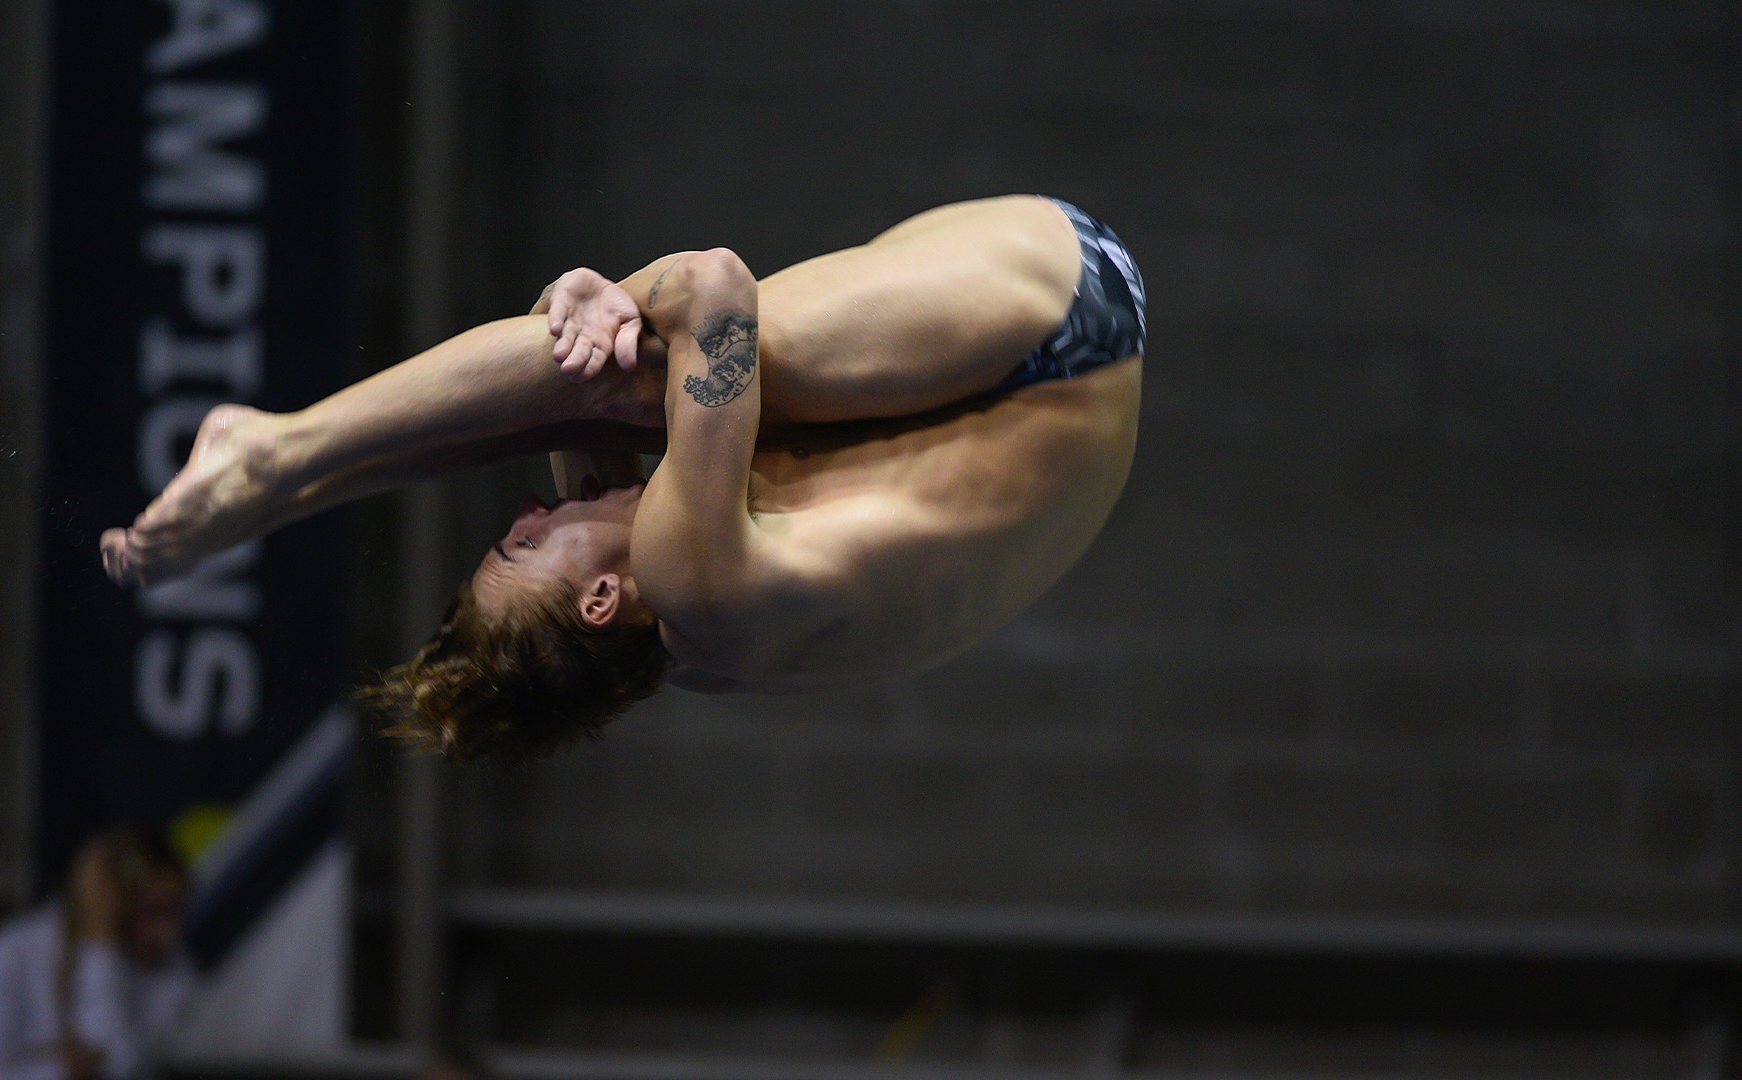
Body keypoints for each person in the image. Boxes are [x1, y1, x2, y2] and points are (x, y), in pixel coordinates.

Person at [101, 195, 1145, 760]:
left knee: (601, 382)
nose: (528, 511)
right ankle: (278, 456)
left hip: (1051, 388)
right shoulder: (690, 576)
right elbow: (712, 287)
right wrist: (617, 295)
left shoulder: (683, 649)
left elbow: (565, 419)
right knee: (618, 373)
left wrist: (581, 305)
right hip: (1053, 325)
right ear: (601, 599)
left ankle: (284, 484)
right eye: (521, 546)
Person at [0, 827, 194, 1080]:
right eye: (152, 912)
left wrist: (100, 948)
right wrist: (61, 1070)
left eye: (175, 910)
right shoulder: (13, 950)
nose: (169, 933)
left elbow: (120, 1068)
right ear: (112, 901)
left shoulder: (174, 970)